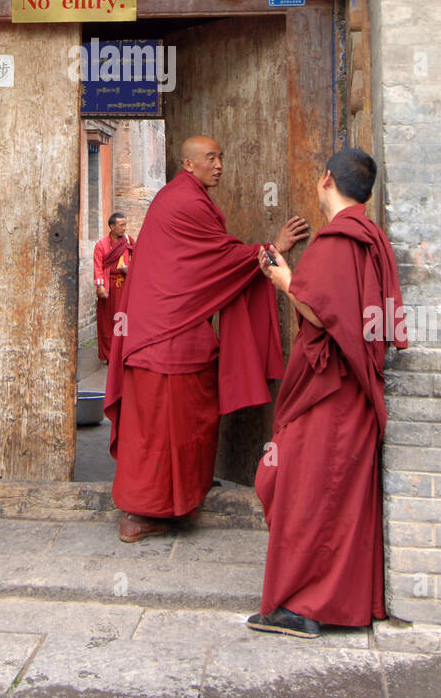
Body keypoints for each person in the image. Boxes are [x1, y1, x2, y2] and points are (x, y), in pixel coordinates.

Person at [105, 134, 310, 543]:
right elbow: (218, 259)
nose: (218, 165)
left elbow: (200, 262)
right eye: (210, 158)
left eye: (220, 158)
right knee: (159, 433)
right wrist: (273, 249)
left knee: (179, 427)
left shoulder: (182, 198)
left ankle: (182, 495)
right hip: (165, 337)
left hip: (169, 332)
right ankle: (140, 512)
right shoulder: (186, 202)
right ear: (188, 164)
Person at [248, 148, 407, 637]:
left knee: (299, 488)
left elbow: (324, 313)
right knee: (335, 496)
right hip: (352, 389)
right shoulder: (371, 236)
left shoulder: (338, 239)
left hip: (331, 393)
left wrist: (283, 279)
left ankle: (303, 607)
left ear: (325, 181)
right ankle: (326, 604)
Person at [93, 212, 135, 364]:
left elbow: (137, 259)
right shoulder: (101, 245)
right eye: (121, 225)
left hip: (124, 286)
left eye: (125, 225)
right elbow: (98, 266)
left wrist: (129, 269)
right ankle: (109, 354)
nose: (124, 228)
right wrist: (100, 286)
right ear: (112, 227)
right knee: (106, 321)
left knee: (122, 319)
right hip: (108, 287)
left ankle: (122, 352)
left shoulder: (129, 241)